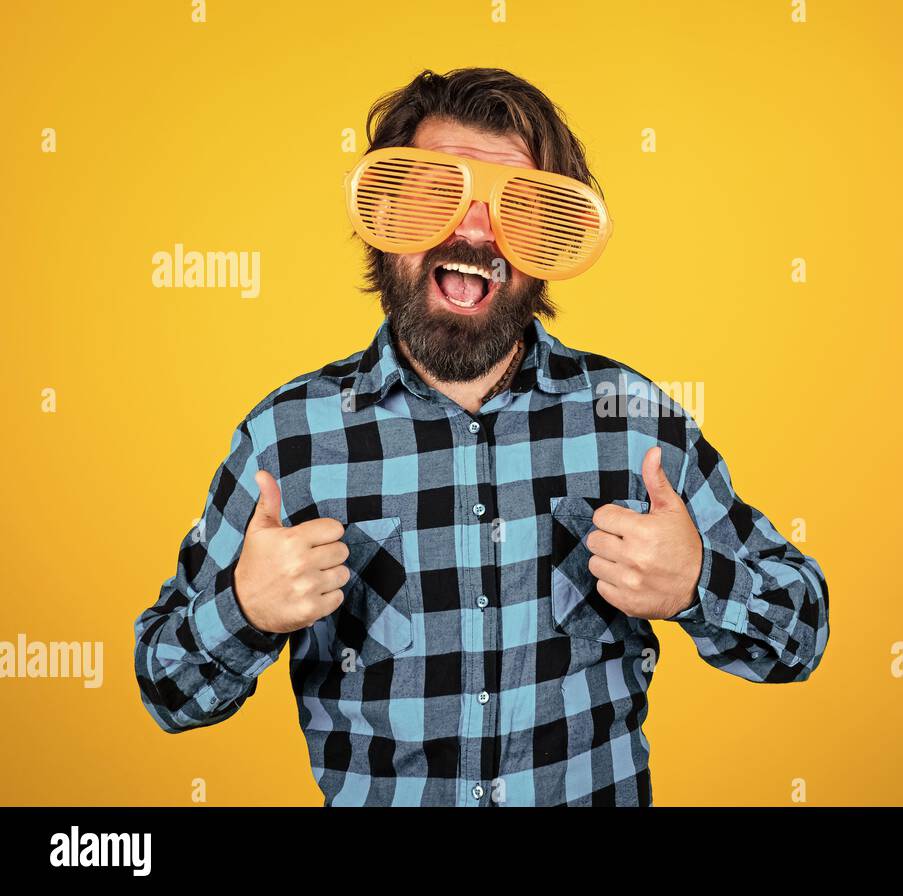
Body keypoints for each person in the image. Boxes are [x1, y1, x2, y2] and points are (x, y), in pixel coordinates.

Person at [134, 67, 829, 806]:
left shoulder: (633, 421)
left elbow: (801, 630)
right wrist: (244, 610)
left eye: (520, 211)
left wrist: (699, 587)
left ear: (551, 245)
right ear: (383, 219)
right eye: (436, 194)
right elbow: (167, 691)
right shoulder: (288, 438)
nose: (471, 230)